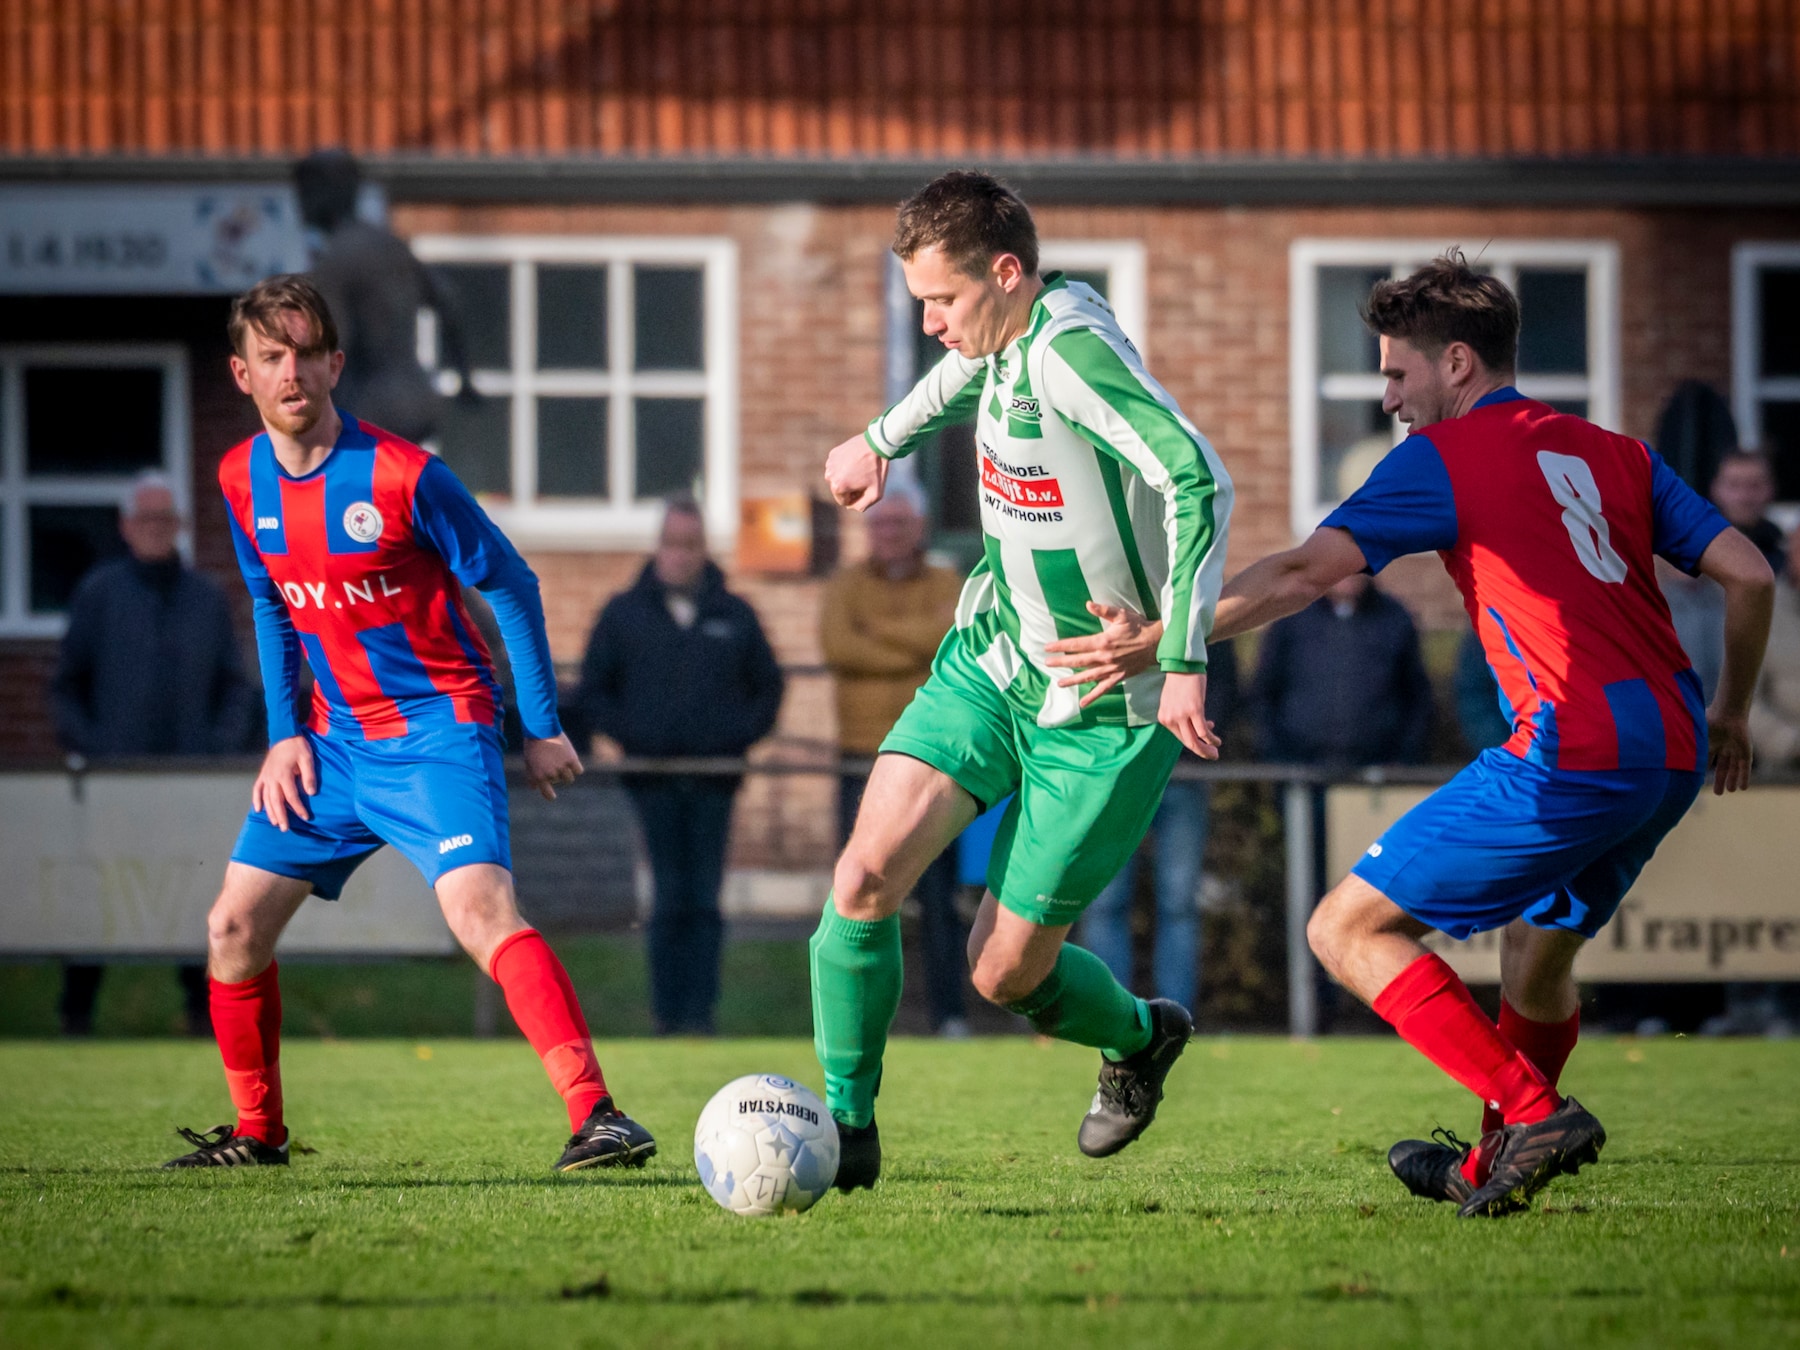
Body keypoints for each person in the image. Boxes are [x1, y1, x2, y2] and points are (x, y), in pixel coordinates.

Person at [1210, 251, 1773, 1217]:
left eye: (1396, 372)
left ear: (1458, 364)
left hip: (1572, 744)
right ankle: (1493, 1165)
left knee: (1344, 927)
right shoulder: (1619, 453)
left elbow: (1305, 574)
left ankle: (1531, 1111)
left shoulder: (1441, 457)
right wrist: (1729, 714)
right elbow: (1752, 575)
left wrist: (1160, 637)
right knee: (1536, 953)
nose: (1388, 395)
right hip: (1673, 744)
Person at [165, 274, 655, 1172]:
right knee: (232, 928)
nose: (293, 373)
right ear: (241, 374)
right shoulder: (240, 477)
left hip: (437, 728)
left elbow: (511, 584)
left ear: (336, 364)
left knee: (479, 910)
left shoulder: (403, 475)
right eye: (272, 356)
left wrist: (537, 726)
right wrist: (284, 734)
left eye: (309, 353)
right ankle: (256, 1134)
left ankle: (600, 1117)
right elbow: (273, 607)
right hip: (330, 745)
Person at [813, 171, 1233, 1189]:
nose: (930, 323)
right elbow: (962, 380)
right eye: (918, 301)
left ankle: (1137, 1038)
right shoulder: (1009, 332)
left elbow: (1196, 476)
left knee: (1004, 972)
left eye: (942, 301)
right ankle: (844, 1132)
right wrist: (881, 439)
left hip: (1102, 704)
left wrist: (1182, 656)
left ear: (1006, 274)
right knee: (864, 877)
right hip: (996, 658)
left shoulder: (1070, 354)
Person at [49, 472, 254, 1037]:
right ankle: (76, 1014)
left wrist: (216, 749)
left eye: (165, 519)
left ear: (180, 527)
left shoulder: (207, 599)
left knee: (196, 899)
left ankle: (200, 1011)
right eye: (145, 519)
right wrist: (93, 751)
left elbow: (234, 687)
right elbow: (66, 687)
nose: (155, 529)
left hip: (190, 784)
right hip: (115, 783)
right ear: (125, 526)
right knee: (97, 897)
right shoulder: (99, 594)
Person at [576, 500, 784, 1036]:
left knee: (704, 898)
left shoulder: (734, 614)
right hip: (651, 779)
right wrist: (635, 738)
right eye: (672, 542)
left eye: (691, 544)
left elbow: (768, 688)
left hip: (715, 780)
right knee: (668, 896)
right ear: (658, 545)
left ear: (703, 550)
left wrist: (734, 738)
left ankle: (700, 1015)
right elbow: (594, 692)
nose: (681, 555)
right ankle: (666, 1015)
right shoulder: (624, 614)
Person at [820, 483, 971, 1037]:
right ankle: (853, 1019)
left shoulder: (949, 582)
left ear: (921, 528)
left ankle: (949, 1015)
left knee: (937, 895)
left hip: (934, 759)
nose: (889, 534)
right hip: (859, 757)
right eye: (880, 524)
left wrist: (877, 633)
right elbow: (839, 647)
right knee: (854, 890)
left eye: (900, 524)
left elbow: (953, 640)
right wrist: (917, 647)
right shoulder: (845, 584)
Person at [1079, 640, 1239, 1013]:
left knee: (1179, 903)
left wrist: (1197, 736)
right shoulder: (1112, 600)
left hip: (1181, 772)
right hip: (1116, 774)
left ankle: (1175, 1016)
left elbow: (1225, 687)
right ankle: (1107, 1012)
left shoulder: (1200, 607)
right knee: (1104, 901)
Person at [296, 148, 478, 444]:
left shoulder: (336, 260)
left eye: (303, 194)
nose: (300, 207)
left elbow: (333, 343)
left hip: (370, 406)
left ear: (323, 194)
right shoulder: (391, 246)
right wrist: (465, 377)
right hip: (418, 398)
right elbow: (449, 302)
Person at [1252, 572, 1433, 768]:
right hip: (1300, 769)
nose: (1349, 572)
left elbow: (1416, 695)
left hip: (1376, 772)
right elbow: (1263, 690)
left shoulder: (1394, 618)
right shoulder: (1291, 616)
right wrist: (1277, 755)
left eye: (1358, 564)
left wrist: (1403, 756)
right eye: (1342, 563)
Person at [1709, 450, 1786, 575]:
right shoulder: (1693, 549)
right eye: (1734, 485)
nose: (1744, 497)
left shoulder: (1787, 550)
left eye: (1755, 486)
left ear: (1771, 489)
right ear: (1716, 489)